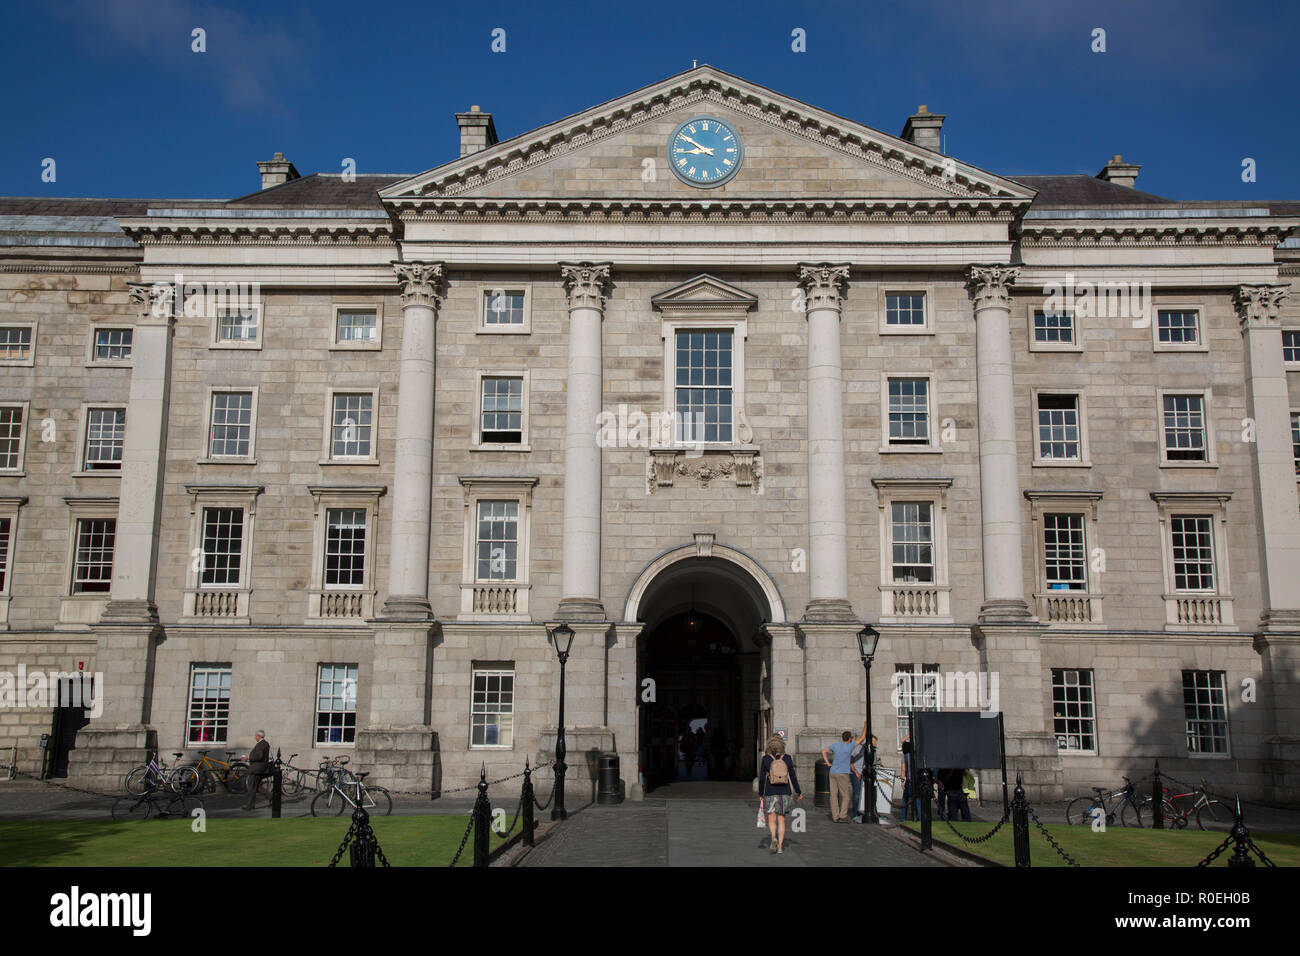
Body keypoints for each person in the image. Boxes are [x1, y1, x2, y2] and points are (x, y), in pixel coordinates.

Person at [759, 734, 802, 854]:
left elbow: (762, 778)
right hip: (784, 792)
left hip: (770, 791)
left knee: (772, 819)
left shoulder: (766, 759)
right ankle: (780, 847)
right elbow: (792, 776)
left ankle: (773, 838)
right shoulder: (787, 758)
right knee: (781, 820)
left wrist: (761, 793)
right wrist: (798, 791)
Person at [821, 728, 862, 823]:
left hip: (833, 772)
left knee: (834, 795)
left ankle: (835, 816)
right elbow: (861, 738)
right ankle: (843, 815)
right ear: (849, 739)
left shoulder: (836, 745)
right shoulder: (850, 746)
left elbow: (823, 751)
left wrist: (828, 763)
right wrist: (865, 726)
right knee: (846, 795)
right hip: (843, 773)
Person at [241, 730, 270, 810]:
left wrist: (248, 758)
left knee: (251, 787)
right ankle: (271, 797)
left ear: (258, 736)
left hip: (256, 769)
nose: (255, 737)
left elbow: (259, 756)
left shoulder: (261, 744)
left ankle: (250, 805)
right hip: (260, 768)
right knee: (257, 787)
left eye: (255, 736)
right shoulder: (265, 744)